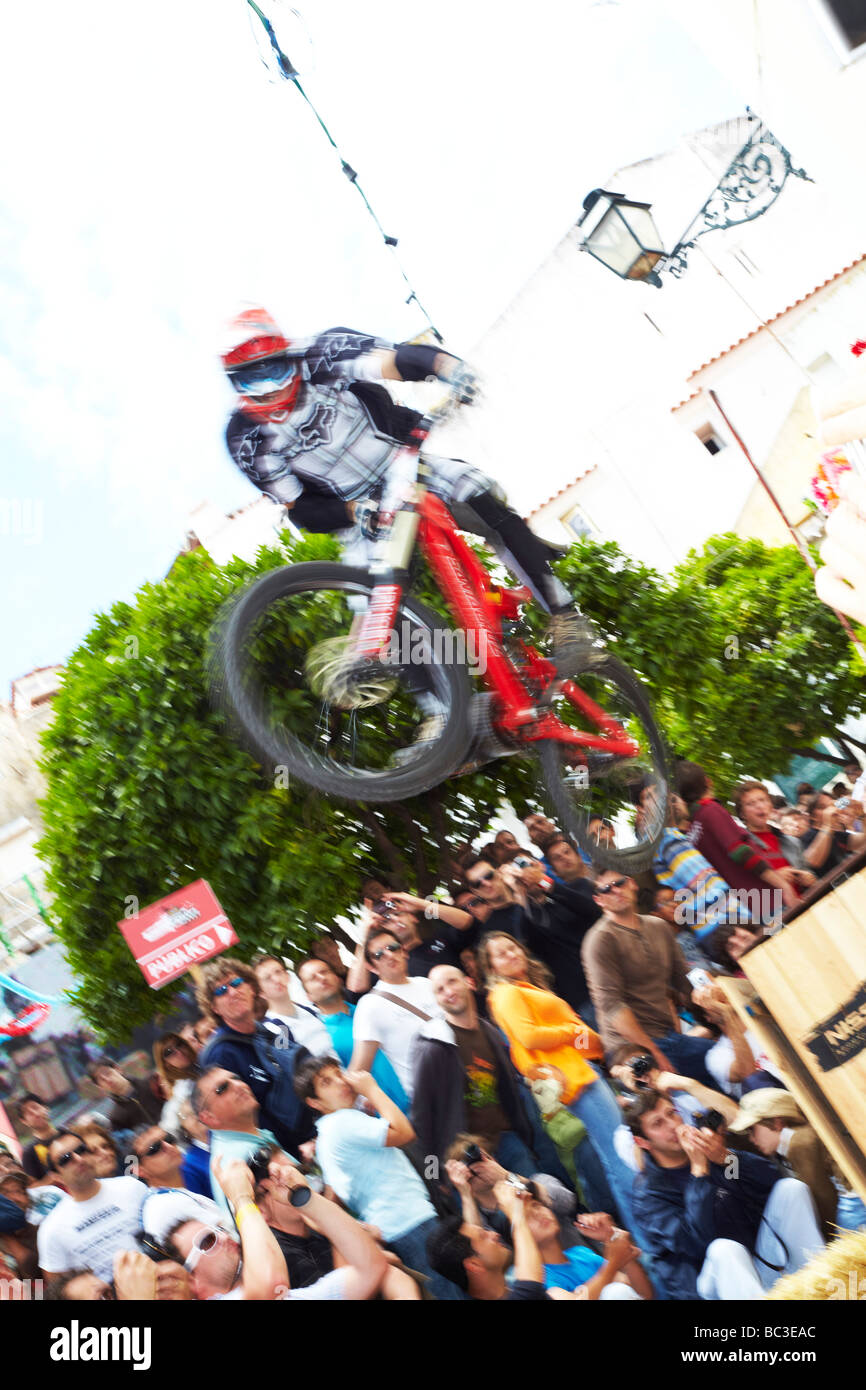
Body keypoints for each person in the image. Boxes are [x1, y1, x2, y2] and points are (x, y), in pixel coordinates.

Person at [221, 309, 591, 676]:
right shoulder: (245, 441)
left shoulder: (323, 353)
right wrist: (354, 513)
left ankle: (566, 619)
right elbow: (299, 508)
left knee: (476, 491)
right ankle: (439, 718)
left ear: (289, 354)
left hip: (404, 465)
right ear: (235, 383)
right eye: (255, 381)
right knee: (378, 609)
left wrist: (448, 369)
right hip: (357, 508)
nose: (273, 389)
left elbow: (398, 359)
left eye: (277, 370)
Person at [479, 931, 642, 1242]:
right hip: (573, 1077)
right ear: (493, 968)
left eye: (512, 947)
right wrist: (572, 1031)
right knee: (621, 1150)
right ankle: (649, 1226)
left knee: (613, 1156)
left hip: (581, 1069)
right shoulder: (505, 994)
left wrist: (587, 1040)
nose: (511, 954)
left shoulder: (528, 989)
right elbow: (529, 1038)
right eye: (501, 954)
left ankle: (642, 1233)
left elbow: (582, 1042)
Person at [626, 1091, 825, 1299]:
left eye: (672, 1113)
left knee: (790, 1190)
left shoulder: (708, 1152)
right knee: (724, 1250)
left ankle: (824, 1285)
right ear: (643, 1142)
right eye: (658, 1123)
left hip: (761, 1259)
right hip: (715, 1285)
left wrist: (724, 1157)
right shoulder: (648, 1196)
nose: (672, 1125)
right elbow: (697, 1241)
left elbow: (769, 1181)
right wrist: (699, 1173)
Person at [294, 1056, 461, 1299]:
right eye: (326, 1082)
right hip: (411, 1224)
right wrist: (372, 1090)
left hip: (397, 1228)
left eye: (338, 1073)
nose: (341, 1082)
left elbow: (334, 1196)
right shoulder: (342, 1122)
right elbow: (404, 1132)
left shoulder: (326, 1135)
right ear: (314, 1102)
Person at [581, 871, 717, 1087]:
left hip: (670, 1038)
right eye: (605, 889)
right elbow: (613, 1009)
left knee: (726, 1067)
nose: (615, 890)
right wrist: (654, 1054)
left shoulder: (658, 926)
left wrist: (719, 1003)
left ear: (632, 883)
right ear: (598, 900)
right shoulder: (599, 941)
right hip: (632, 1049)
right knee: (690, 1100)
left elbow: (685, 979)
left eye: (619, 883)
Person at [411, 964, 539, 1176]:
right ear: (436, 1000)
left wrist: (523, 1134)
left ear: (468, 982)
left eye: (452, 981)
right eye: (439, 990)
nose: (449, 992)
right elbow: (421, 1117)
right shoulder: (433, 1047)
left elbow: (509, 1090)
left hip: (507, 1140)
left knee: (534, 1199)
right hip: (468, 1158)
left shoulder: (490, 1032)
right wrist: (434, 1176)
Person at [196, 957, 315, 1158]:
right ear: (214, 1008)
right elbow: (240, 1120)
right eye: (221, 991)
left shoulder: (269, 1031)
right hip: (291, 1157)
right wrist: (284, 1156)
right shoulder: (219, 1054)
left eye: (236, 983)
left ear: (251, 987)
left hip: (316, 1130)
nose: (233, 992)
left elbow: (301, 1069)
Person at [727, 1088, 866, 1235]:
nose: (751, 1139)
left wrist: (830, 1241)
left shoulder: (798, 1145)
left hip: (855, 1203)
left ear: (777, 1122)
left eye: (752, 1130)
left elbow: (825, 1201)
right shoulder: (796, 1140)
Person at [676, 762, 800, 920]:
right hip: (770, 902)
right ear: (708, 781)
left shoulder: (691, 832)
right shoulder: (711, 810)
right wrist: (783, 885)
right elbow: (741, 853)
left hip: (749, 909)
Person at [296, 955, 409, 1111]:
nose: (322, 978)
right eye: (313, 978)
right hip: (386, 1117)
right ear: (308, 995)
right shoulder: (319, 1036)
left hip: (420, 1095)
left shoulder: (370, 1008)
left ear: (338, 978)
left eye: (324, 971)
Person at [36, 1132, 149, 1283]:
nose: (79, 1159)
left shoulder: (131, 1187)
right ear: (57, 1176)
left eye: (81, 1150)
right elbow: (59, 1289)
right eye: (65, 1159)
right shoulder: (51, 1229)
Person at [348, 927, 444, 1100]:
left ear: (403, 951)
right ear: (372, 967)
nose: (389, 955)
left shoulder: (427, 984)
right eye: (379, 955)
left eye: (392, 947)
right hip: (431, 1100)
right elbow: (358, 1071)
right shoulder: (370, 1005)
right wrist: (370, 1101)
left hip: (466, 1080)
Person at [192, 1066, 297, 1218]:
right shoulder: (243, 1159)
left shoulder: (243, 1141)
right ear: (208, 1117)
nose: (238, 1085)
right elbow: (300, 1214)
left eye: (236, 1078)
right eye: (222, 1088)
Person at [733, 781, 816, 897]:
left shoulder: (792, 841)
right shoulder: (742, 849)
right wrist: (774, 878)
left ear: (771, 806)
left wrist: (808, 878)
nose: (759, 806)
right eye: (751, 803)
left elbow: (810, 874)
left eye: (763, 800)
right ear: (742, 814)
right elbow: (743, 892)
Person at [254, 956, 335, 1055]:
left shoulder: (311, 1010)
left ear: (287, 976)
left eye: (278, 972)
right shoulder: (274, 1028)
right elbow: (289, 1065)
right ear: (261, 992)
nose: (276, 979)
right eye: (267, 978)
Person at [86, 1059, 164, 1134]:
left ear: (118, 1069)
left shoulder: (152, 1083)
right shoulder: (116, 1118)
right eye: (101, 1080)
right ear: (100, 1087)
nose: (108, 1080)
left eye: (108, 1073)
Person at [801, 790, 866, 874]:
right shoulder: (809, 835)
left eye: (832, 805)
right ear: (813, 816)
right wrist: (828, 826)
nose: (830, 810)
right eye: (823, 807)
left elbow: (862, 841)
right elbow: (813, 862)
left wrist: (862, 815)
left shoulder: (835, 833)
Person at [153, 1032, 199, 1138]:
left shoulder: (206, 1061)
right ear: (165, 1063)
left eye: (179, 1044)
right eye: (169, 1052)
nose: (179, 1052)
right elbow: (171, 1133)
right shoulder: (182, 1093)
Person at [129, 1126, 189, 1191]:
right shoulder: (163, 1200)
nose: (169, 1146)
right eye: (154, 1147)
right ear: (139, 1171)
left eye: (168, 1139)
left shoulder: (190, 1178)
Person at [15, 1094, 59, 1181]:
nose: (35, 1114)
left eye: (35, 1107)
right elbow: (32, 1186)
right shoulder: (29, 1153)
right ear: (24, 1121)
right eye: (28, 1113)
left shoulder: (68, 1134)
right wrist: (51, 1179)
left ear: (46, 1108)